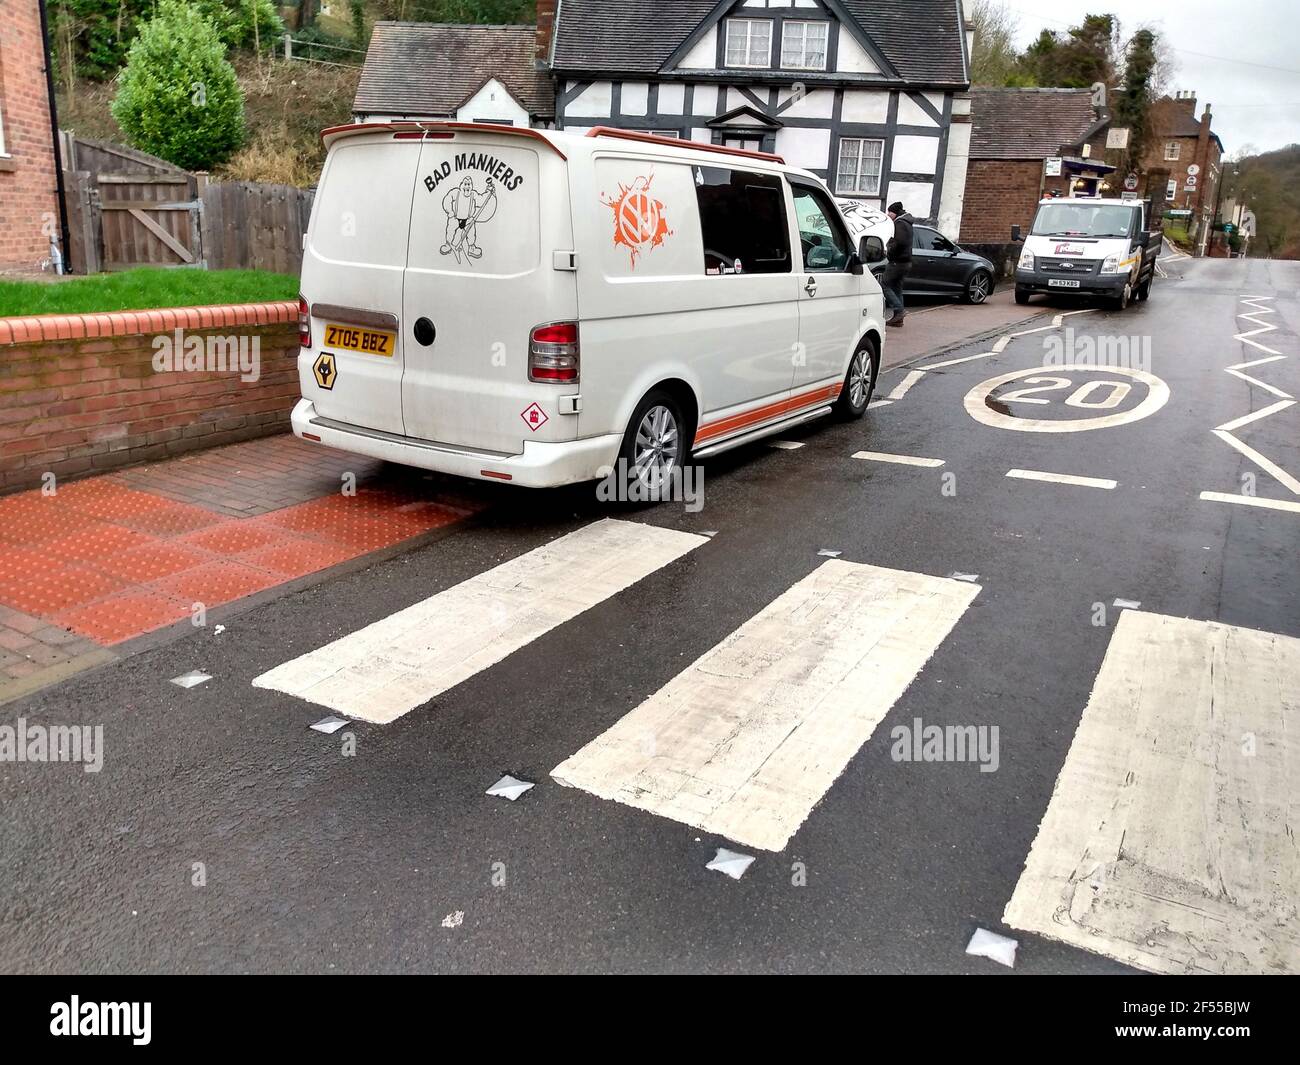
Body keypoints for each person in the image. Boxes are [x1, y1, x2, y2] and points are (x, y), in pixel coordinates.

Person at [883, 201, 914, 327]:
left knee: (884, 284)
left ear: (895, 213)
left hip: (898, 261)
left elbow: (898, 242)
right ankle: (898, 319)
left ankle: (899, 310)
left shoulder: (900, 224)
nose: (888, 214)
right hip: (905, 261)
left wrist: (889, 250)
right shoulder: (907, 223)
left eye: (889, 212)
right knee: (896, 287)